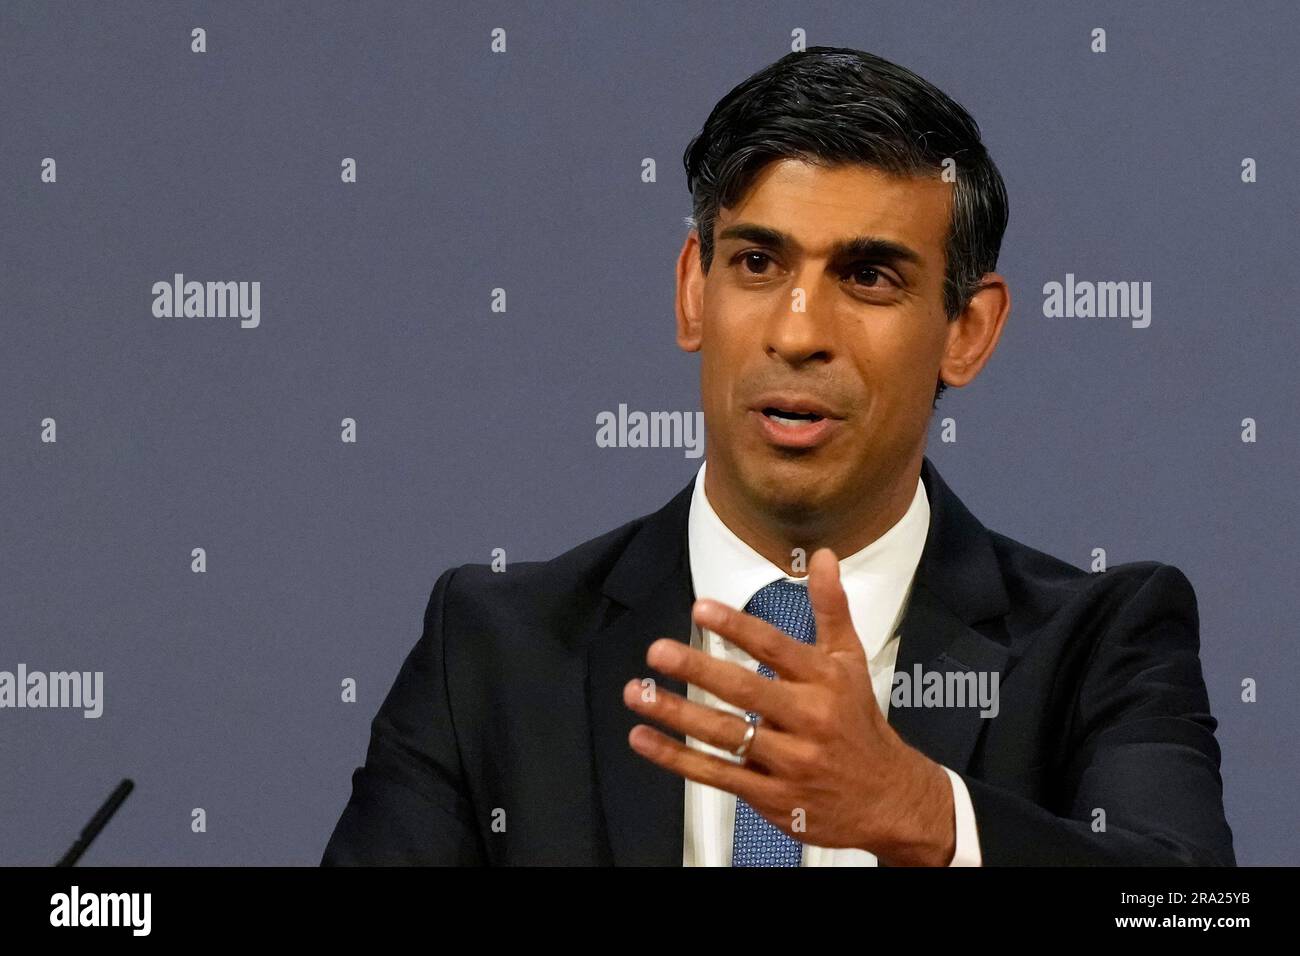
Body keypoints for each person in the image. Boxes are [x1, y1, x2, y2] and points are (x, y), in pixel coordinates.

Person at [321, 46, 1234, 866]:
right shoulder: (492, 649)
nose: (798, 332)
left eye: (868, 276)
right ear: (693, 292)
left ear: (967, 329)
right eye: (758, 263)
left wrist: (924, 814)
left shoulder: (1103, 641)